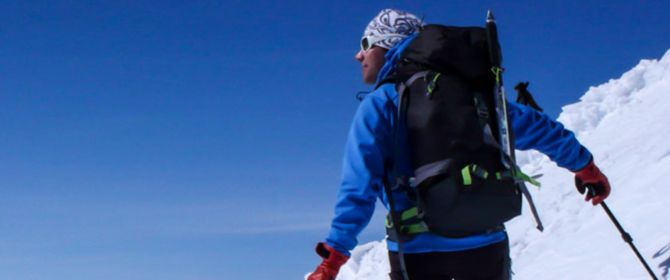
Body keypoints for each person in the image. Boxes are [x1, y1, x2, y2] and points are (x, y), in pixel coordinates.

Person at [307, 8, 611, 280]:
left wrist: (334, 255)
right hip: (486, 241)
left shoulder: (381, 103)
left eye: (365, 44)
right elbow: (539, 128)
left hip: (417, 252)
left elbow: (358, 186)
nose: (358, 56)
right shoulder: (473, 93)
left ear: (387, 44)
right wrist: (585, 167)